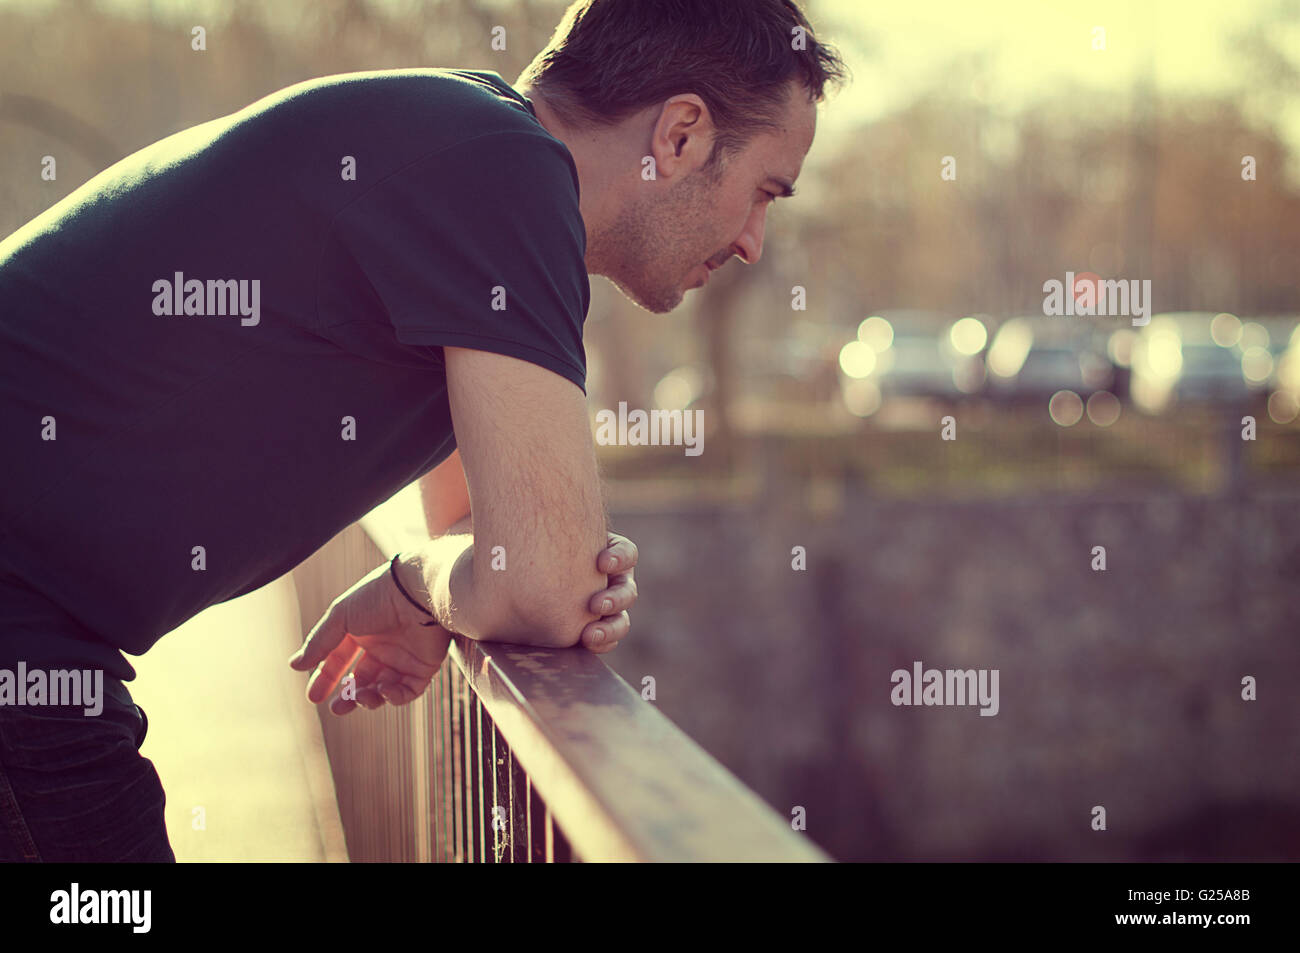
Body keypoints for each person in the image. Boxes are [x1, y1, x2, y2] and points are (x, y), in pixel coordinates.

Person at [0, 0, 844, 861]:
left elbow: (489, 538)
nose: (753, 242)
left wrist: (479, 573)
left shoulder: (473, 163)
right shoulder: (499, 170)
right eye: (764, 193)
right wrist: (422, 585)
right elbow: (545, 583)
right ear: (681, 136)